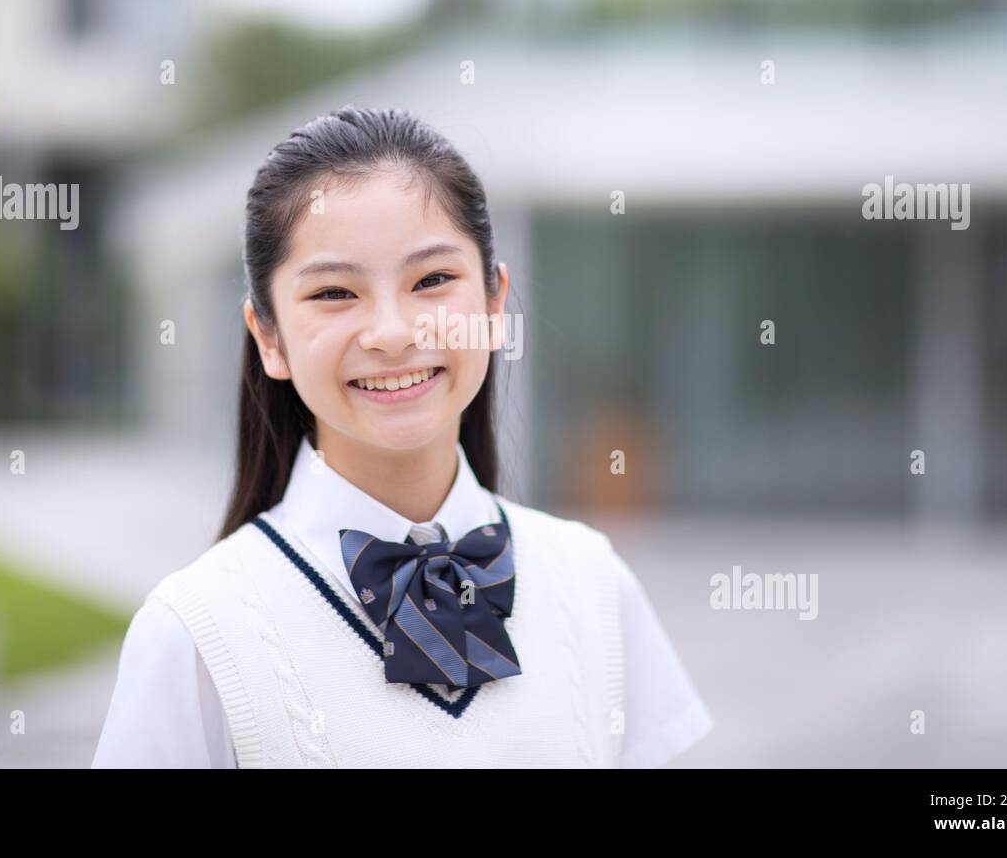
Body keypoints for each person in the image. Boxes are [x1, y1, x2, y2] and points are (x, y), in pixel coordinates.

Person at [92, 106, 712, 768]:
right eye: (334, 292)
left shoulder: (593, 584)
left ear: (494, 306)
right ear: (268, 337)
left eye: (433, 280)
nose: (392, 332)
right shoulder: (194, 631)